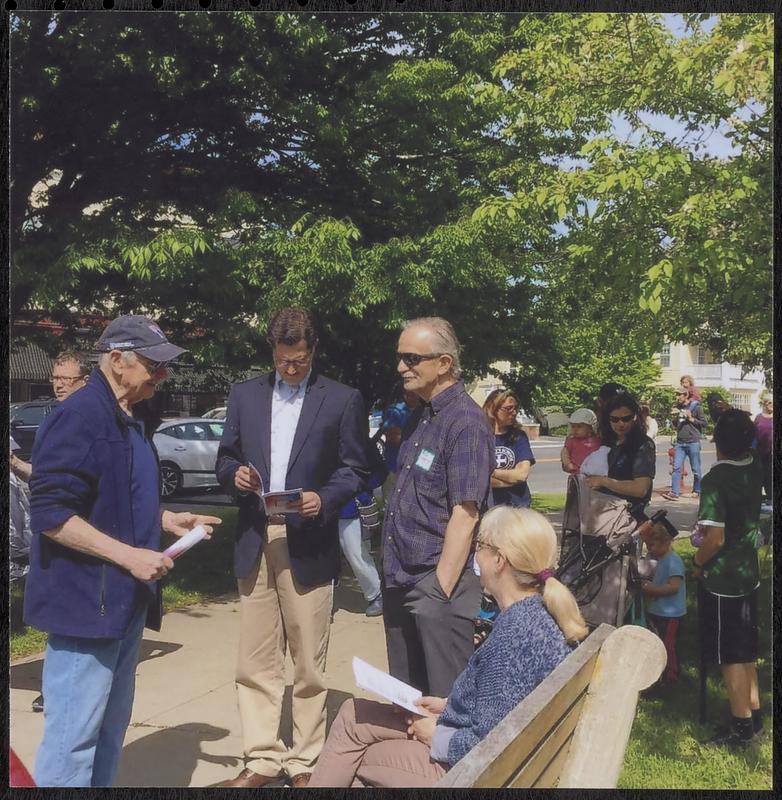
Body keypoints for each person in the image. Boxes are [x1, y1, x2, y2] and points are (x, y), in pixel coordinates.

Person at [24, 314, 221, 787]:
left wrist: (166, 520)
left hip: (123, 604)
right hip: (86, 607)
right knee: (73, 741)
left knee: (109, 732)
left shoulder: (128, 418)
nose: (163, 375)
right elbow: (51, 515)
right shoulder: (80, 417)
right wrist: (130, 556)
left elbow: (111, 499)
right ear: (116, 360)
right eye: (154, 364)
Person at [308, 506, 588, 788]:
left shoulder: (514, 634)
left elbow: (488, 745)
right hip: (500, 754)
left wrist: (434, 734)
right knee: (352, 714)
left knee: (357, 754)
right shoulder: (537, 614)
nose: (474, 554)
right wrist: (446, 706)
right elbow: (502, 702)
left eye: (480, 545)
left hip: (470, 771)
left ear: (499, 560)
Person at [215, 307, 370, 788]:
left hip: (307, 536)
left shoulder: (342, 399)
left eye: (299, 361)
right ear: (272, 351)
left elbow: (356, 469)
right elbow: (227, 457)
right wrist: (234, 476)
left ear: (313, 350)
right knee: (256, 658)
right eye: (284, 361)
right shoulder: (244, 395)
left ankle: (305, 759)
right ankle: (261, 756)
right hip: (255, 536)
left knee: (308, 659)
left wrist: (322, 498)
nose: (291, 369)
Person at [382, 317, 494, 697]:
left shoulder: (465, 423)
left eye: (412, 358)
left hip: (435, 586)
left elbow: (467, 514)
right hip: (401, 577)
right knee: (407, 699)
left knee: (444, 706)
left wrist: (439, 592)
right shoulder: (423, 416)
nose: (402, 367)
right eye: (400, 357)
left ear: (444, 363)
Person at [692, 409, 764, 748]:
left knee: (730, 656)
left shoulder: (717, 479)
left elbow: (714, 540)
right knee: (746, 649)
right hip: (749, 572)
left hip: (724, 578)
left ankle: (740, 728)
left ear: (718, 442)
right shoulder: (754, 465)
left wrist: (696, 560)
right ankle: (754, 713)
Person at [10, 349, 90, 484]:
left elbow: (62, 479)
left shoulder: (89, 419)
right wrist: (13, 462)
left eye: (66, 379)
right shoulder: (54, 417)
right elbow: (38, 474)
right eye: (55, 378)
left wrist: (14, 462)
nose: (58, 385)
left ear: (85, 380)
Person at [585, 391, 656, 512]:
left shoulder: (643, 444)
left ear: (635, 417)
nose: (621, 423)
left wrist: (604, 481)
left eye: (626, 418)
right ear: (608, 419)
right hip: (599, 510)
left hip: (627, 515)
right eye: (615, 419)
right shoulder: (605, 442)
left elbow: (641, 489)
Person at [640, 518, 686, 688]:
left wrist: (652, 590)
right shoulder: (653, 558)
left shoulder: (673, 561)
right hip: (655, 610)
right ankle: (656, 672)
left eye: (652, 545)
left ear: (666, 542)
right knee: (655, 642)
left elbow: (674, 587)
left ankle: (670, 675)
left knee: (667, 645)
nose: (648, 549)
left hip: (670, 614)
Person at [338, 473, 384, 617]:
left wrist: (360, 488)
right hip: (326, 504)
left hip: (350, 506)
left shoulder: (358, 452)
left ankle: (376, 594)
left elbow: (377, 475)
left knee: (356, 553)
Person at [483, 389, 536, 507]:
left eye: (515, 408)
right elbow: (478, 479)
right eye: (508, 408)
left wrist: (492, 472)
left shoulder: (519, 437)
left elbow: (522, 475)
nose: (514, 412)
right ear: (493, 409)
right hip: (490, 506)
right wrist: (510, 479)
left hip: (518, 505)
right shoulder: (480, 437)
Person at [662, 388, 707, 501]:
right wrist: (674, 419)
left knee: (696, 469)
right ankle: (674, 492)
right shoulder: (678, 408)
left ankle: (697, 490)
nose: (677, 397)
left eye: (679, 395)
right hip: (680, 443)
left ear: (685, 395)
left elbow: (704, 423)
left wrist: (691, 418)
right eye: (676, 395)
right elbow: (677, 424)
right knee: (676, 468)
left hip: (693, 442)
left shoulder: (696, 407)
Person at [380, 388, 420, 504]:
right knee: (392, 506)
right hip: (395, 467)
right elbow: (393, 437)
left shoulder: (424, 410)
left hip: (416, 469)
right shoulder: (395, 411)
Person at [560, 408, 601, 476]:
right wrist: (568, 464)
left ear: (590, 428)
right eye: (573, 426)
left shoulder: (597, 439)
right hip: (578, 473)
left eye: (579, 426)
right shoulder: (572, 441)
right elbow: (564, 452)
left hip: (596, 474)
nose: (575, 429)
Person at [753, 394, 773, 506]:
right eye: (770, 402)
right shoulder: (758, 417)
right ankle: (757, 499)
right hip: (759, 452)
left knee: (770, 475)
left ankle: (771, 498)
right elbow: (753, 434)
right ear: (765, 404)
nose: (772, 405)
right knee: (759, 475)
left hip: (772, 452)